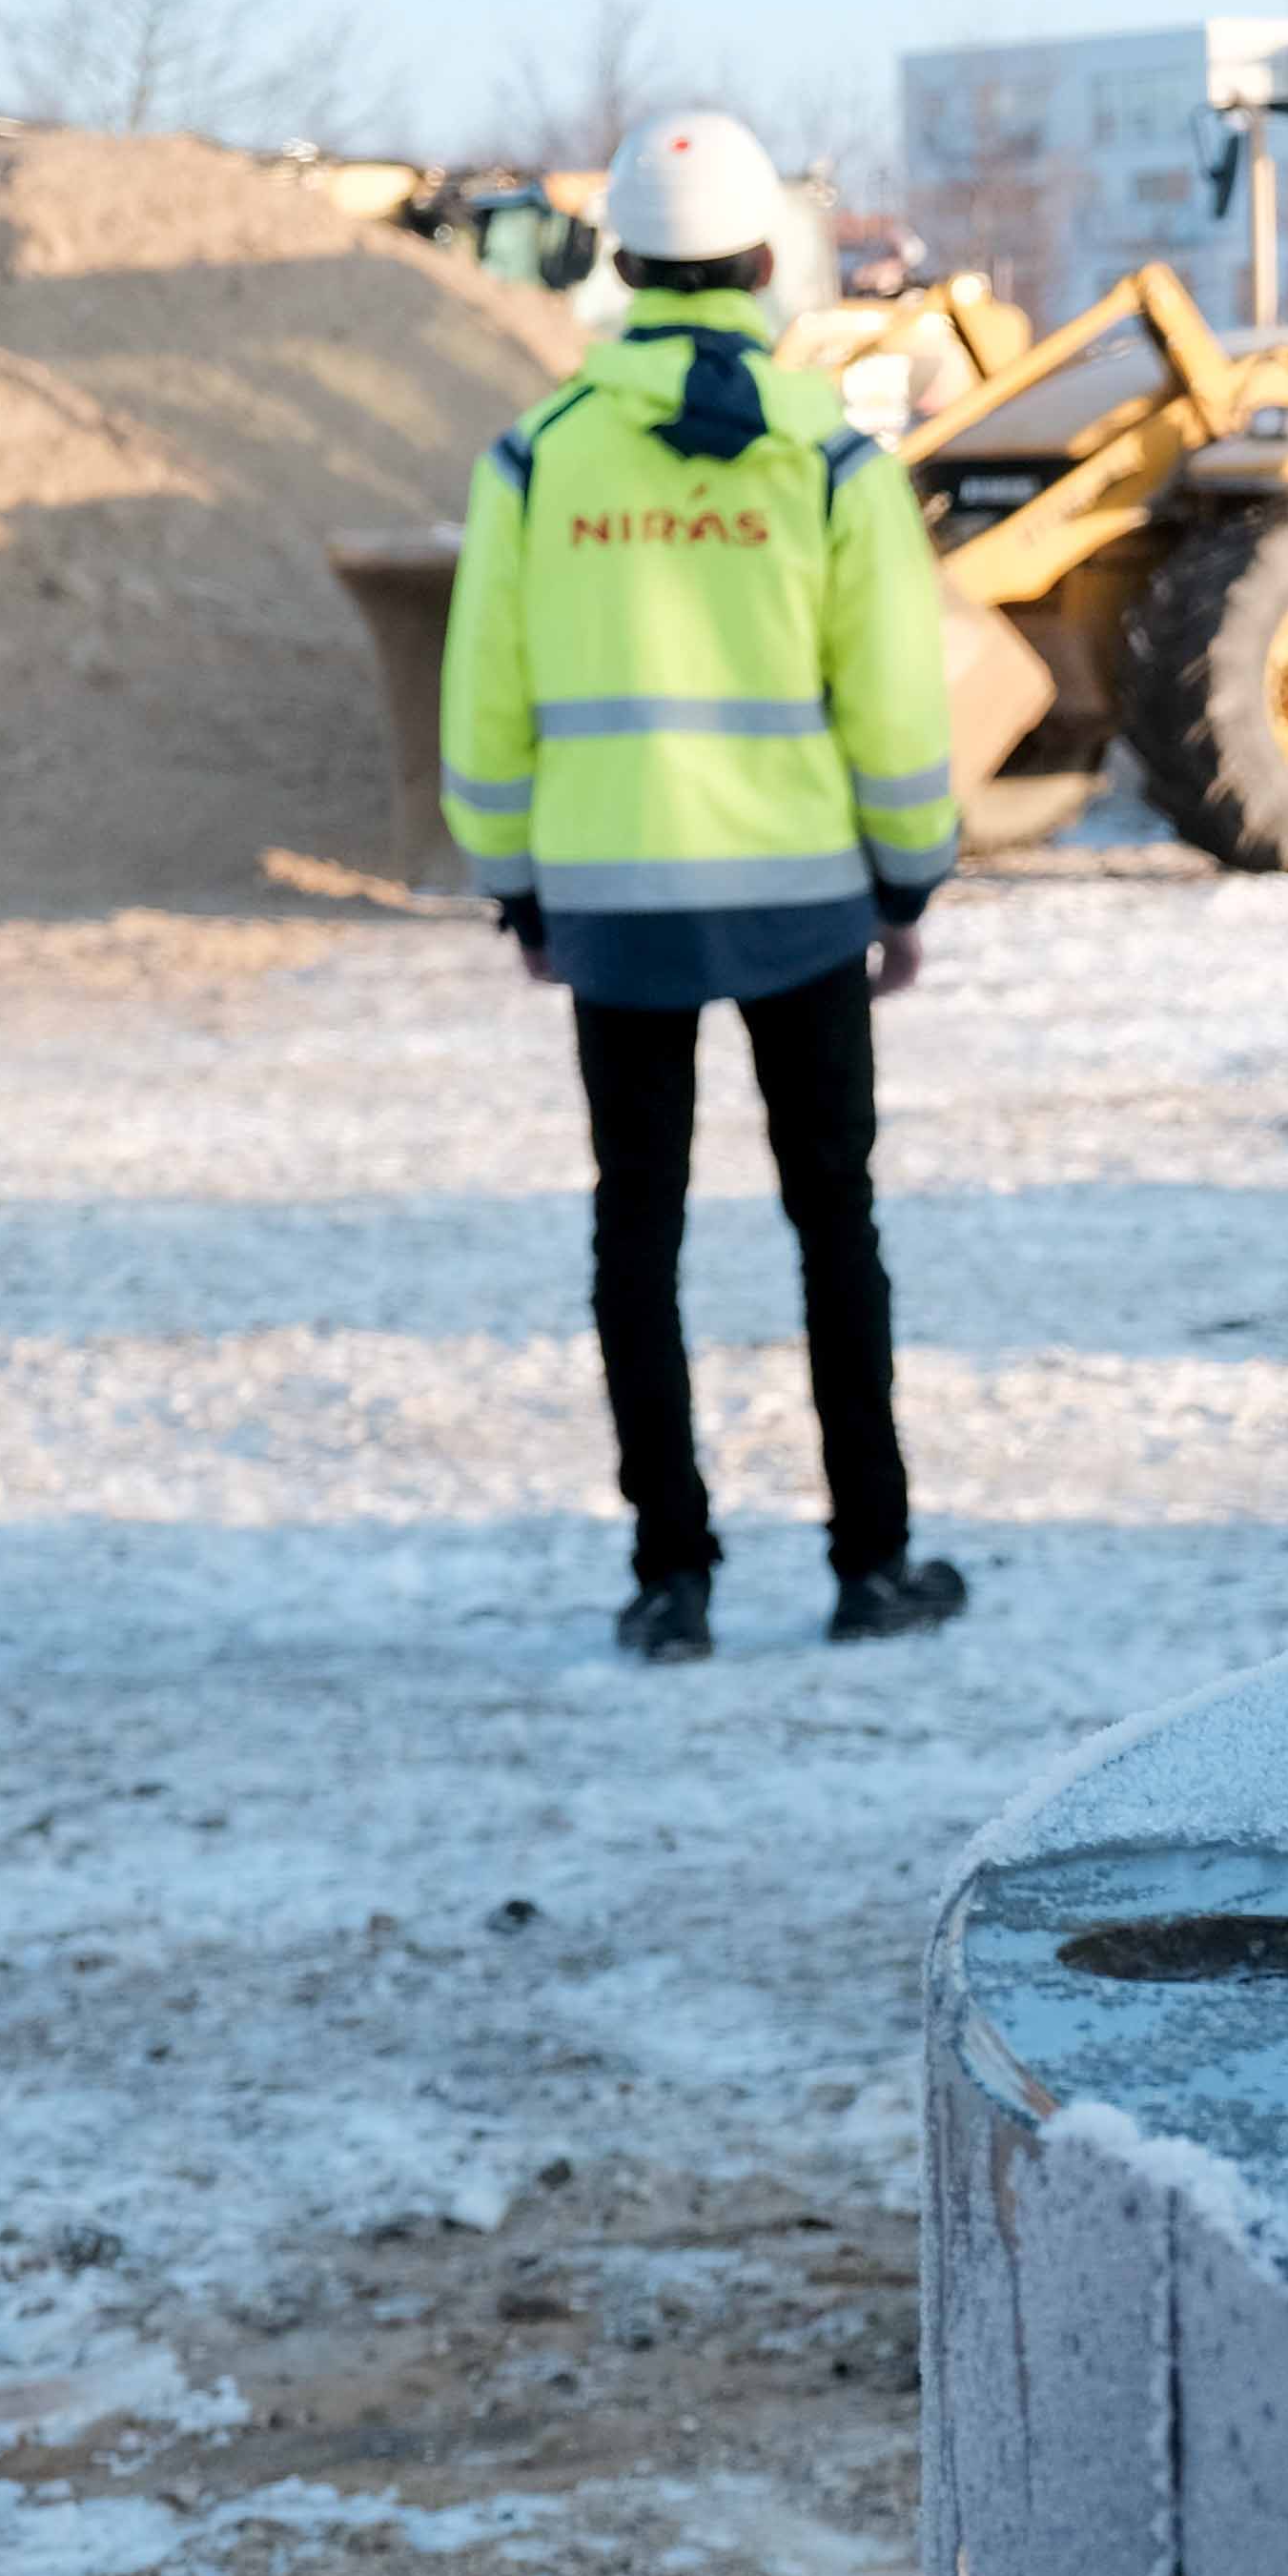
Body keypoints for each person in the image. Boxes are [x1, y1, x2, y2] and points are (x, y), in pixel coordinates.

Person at [439, 108, 971, 1658]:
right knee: (833, 1226)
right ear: (760, 260)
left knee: (638, 1235)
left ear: (619, 257)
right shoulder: (832, 458)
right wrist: (905, 886)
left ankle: (671, 1579)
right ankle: (872, 1565)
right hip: (803, 901)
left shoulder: (538, 458)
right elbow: (896, 704)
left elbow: (486, 699)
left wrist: (519, 891)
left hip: (612, 908)